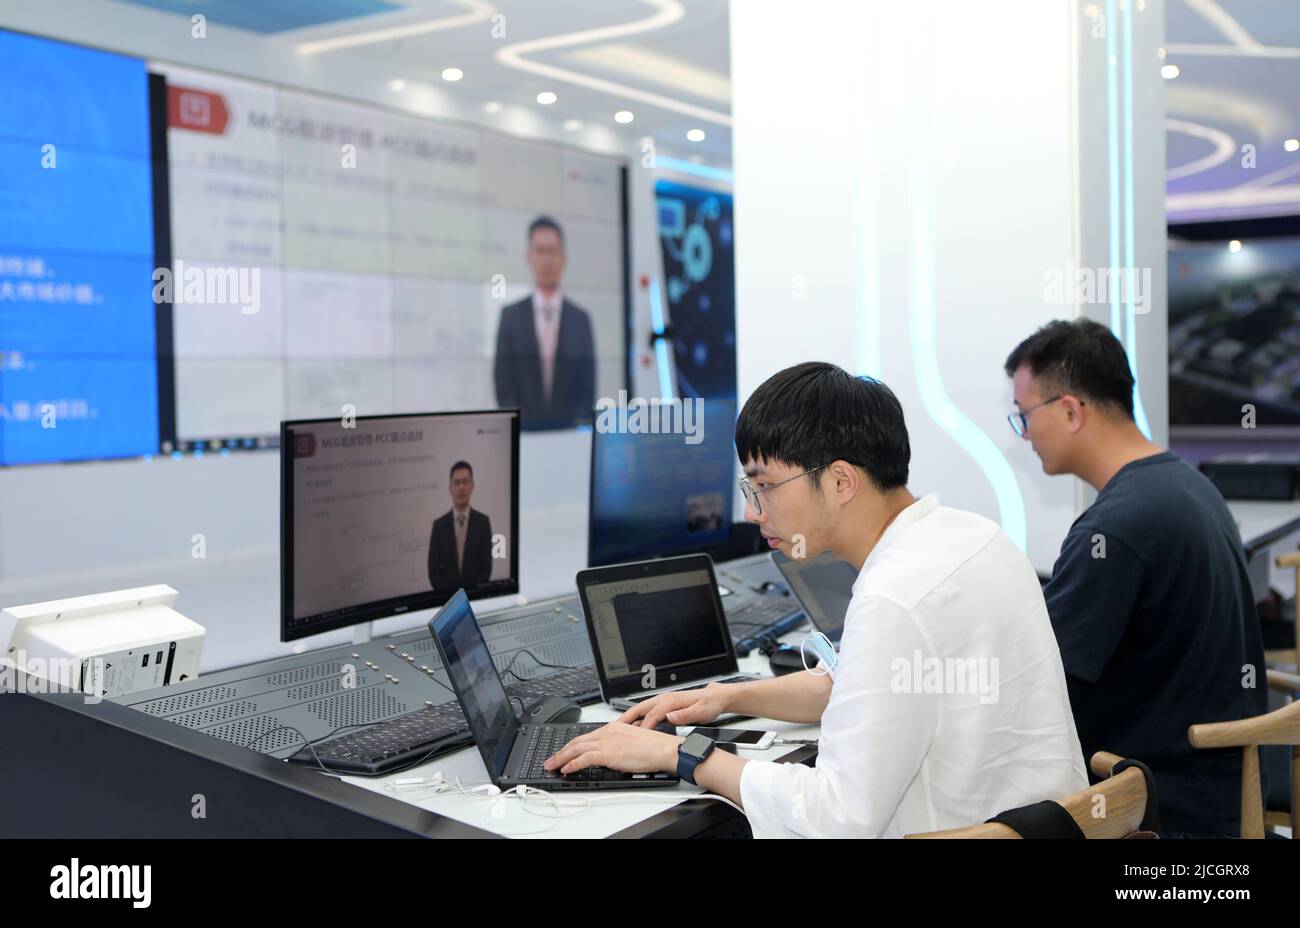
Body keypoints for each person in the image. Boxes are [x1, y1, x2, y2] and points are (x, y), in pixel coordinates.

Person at [545, 362, 1086, 837]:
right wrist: (726, 698)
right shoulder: (974, 537)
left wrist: (680, 754)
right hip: (1049, 825)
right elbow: (865, 687)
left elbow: (836, 818)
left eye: (764, 486)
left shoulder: (894, 599)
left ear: (841, 481)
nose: (754, 511)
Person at [1003, 318, 1269, 838]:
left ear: (1071, 411)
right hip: (1221, 782)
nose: (1025, 434)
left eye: (1024, 416)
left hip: (1162, 806)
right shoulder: (1186, 484)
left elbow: (1042, 688)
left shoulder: (1117, 526)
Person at [493, 216, 596, 430]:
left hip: (569, 438)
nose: (547, 260)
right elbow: (503, 386)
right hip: (525, 438)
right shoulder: (510, 317)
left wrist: (572, 429)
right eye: (540, 251)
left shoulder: (581, 319)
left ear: (563, 257)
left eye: (552, 251)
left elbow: (588, 388)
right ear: (529, 256)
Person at [428, 461, 493, 591]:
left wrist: (471, 595)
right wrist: (453, 600)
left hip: (475, 599)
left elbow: (486, 567)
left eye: (465, 482)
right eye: (457, 483)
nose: (461, 487)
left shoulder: (483, 522)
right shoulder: (439, 526)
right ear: (450, 488)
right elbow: (433, 571)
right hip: (447, 601)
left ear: (472, 486)